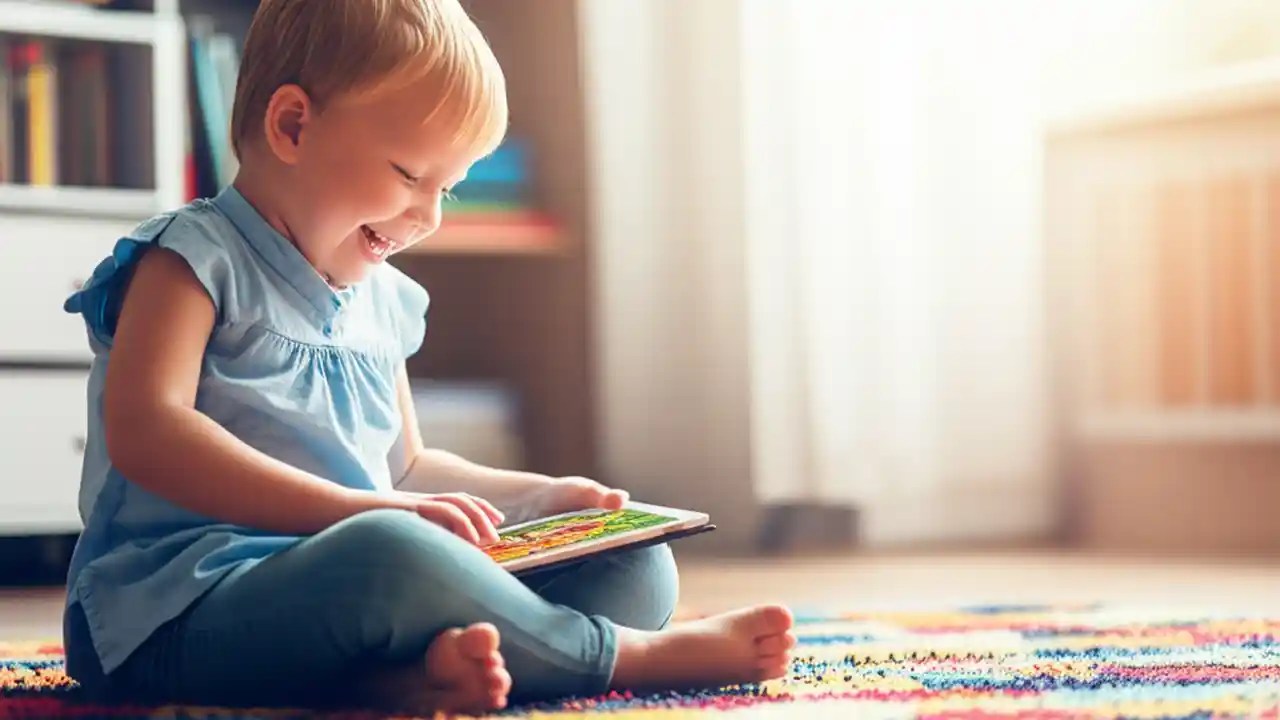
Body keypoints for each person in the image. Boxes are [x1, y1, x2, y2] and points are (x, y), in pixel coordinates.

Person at [60, 0, 795, 714]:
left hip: (345, 585)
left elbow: (407, 468)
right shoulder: (190, 260)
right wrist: (368, 511)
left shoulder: (382, 299)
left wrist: (541, 499)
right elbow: (149, 432)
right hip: (168, 618)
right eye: (411, 175)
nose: (429, 216)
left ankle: (394, 686)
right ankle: (624, 658)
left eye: (449, 188)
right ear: (292, 125)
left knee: (633, 567)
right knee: (392, 552)